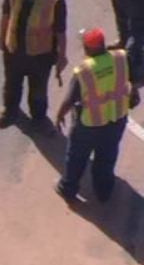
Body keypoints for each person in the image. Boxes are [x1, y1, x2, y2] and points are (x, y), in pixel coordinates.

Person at [55, 27, 140, 203]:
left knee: (77, 156)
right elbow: (133, 79)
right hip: (116, 118)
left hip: (89, 124)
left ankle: (68, 188)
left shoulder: (85, 71)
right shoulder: (120, 57)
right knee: (107, 156)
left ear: (87, 48)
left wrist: (59, 115)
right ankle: (103, 191)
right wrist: (133, 94)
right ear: (103, 45)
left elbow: (70, 99)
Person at [0, 0, 66, 132]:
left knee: (38, 90)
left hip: (40, 54)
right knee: (12, 83)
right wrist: (1, 38)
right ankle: (9, 111)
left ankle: (39, 119)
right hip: (14, 48)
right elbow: (6, 13)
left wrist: (61, 55)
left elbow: (60, 29)